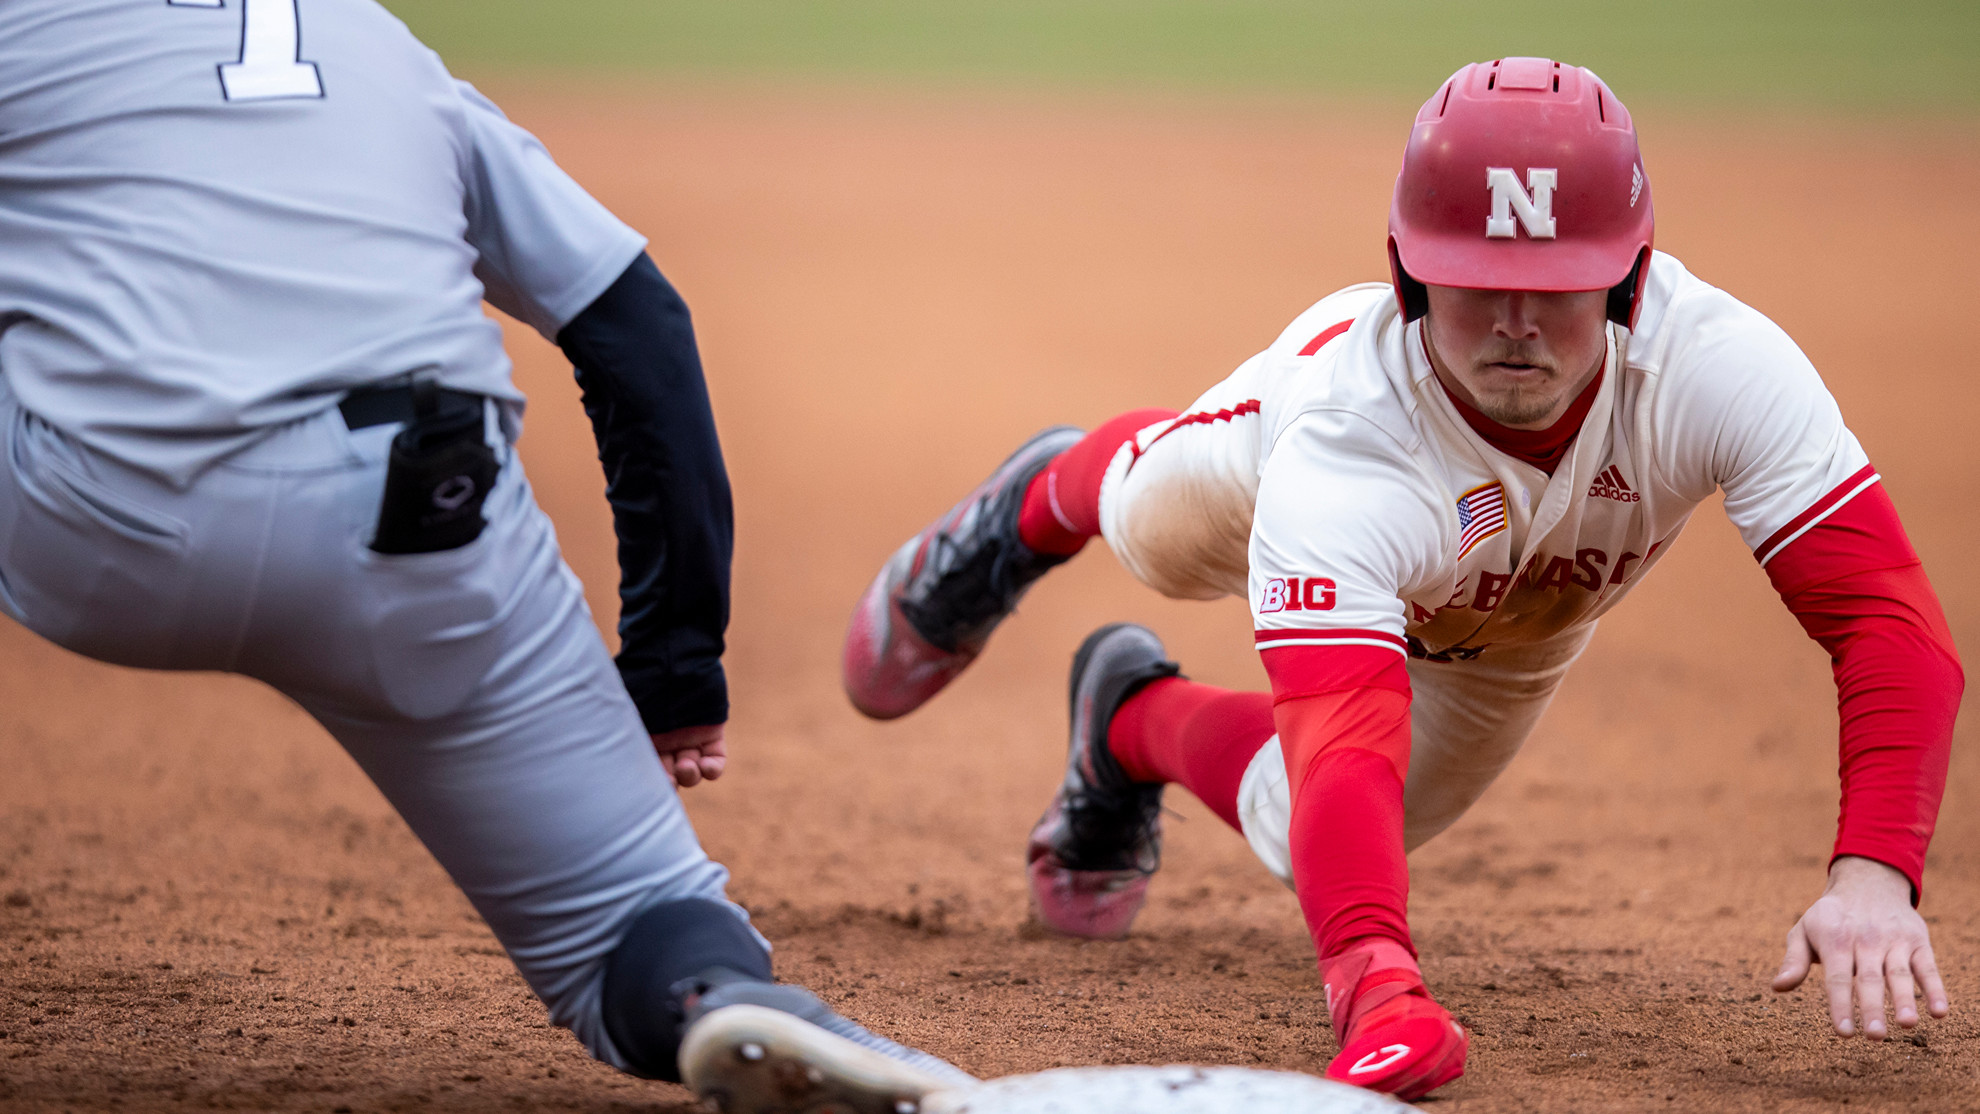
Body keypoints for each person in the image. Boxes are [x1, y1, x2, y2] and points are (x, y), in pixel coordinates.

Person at [842, 57, 1962, 1101]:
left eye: (1558, 284)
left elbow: (1885, 622)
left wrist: (1874, 871)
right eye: (1477, 280)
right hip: (1272, 467)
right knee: (1150, 531)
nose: (1516, 322)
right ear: (1407, 269)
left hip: (1510, 632)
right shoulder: (1344, 435)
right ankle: (1047, 492)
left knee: (1300, 831)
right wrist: (1377, 983)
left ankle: (1127, 718)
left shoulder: (1721, 370)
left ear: (1630, 278)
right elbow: (1344, 734)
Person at [0, 2, 971, 1110]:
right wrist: (671, 667)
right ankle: (719, 1002)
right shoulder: (381, 50)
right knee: (639, 931)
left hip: (102, 514)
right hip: (426, 518)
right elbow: (639, 327)